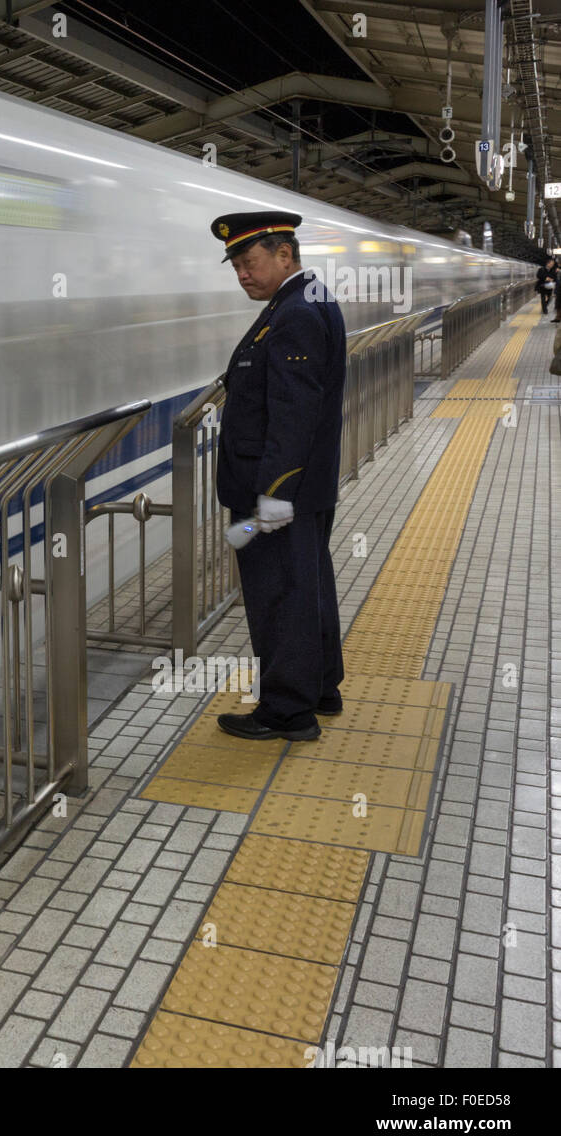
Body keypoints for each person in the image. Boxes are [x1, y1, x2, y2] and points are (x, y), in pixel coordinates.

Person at [209, 211, 347, 741]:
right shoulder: (300, 302)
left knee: (280, 596)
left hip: (280, 491)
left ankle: (287, 711)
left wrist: (273, 494)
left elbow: (293, 411)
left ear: (284, 255)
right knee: (307, 586)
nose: (242, 273)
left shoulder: (294, 314)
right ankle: (319, 687)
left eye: (249, 262)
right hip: (297, 488)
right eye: (237, 266)